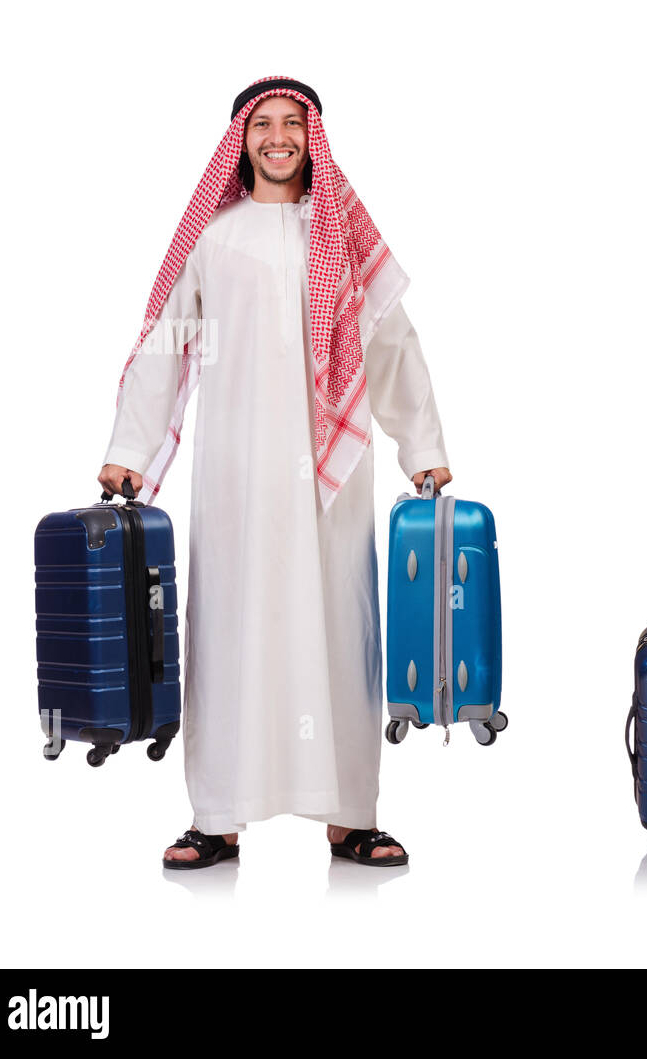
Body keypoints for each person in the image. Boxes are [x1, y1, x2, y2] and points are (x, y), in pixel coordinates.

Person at [99, 76, 451, 869]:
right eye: (265, 124)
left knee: (339, 628)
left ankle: (350, 812)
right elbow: (166, 341)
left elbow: (392, 347)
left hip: (331, 480)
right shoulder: (214, 236)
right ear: (243, 139)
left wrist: (422, 449)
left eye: (295, 123)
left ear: (312, 136)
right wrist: (129, 448)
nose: (280, 136)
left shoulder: (343, 236)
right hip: (238, 474)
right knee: (231, 629)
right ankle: (215, 816)